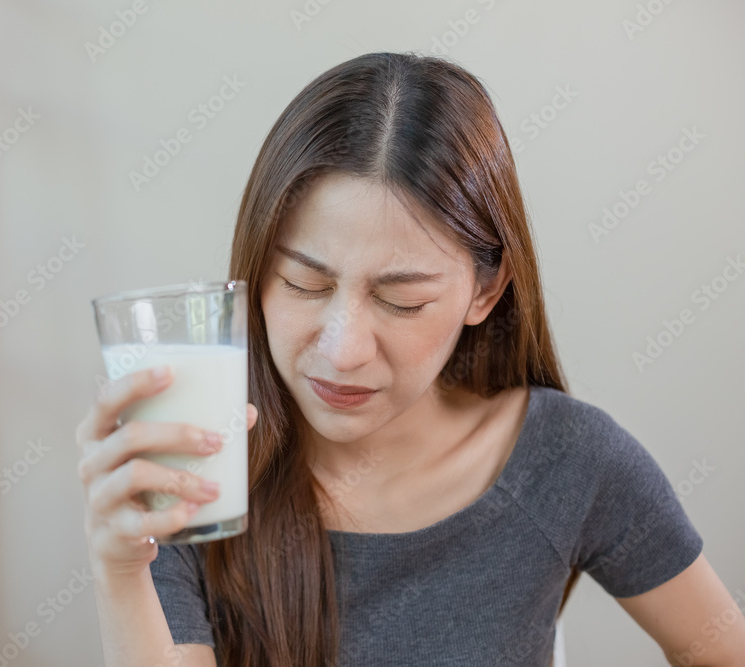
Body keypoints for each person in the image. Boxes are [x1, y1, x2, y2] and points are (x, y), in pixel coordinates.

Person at [77, 52, 745, 666]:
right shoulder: (200, 466)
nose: (342, 348)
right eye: (305, 284)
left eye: (400, 300)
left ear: (485, 289)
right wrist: (120, 568)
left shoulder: (568, 460)